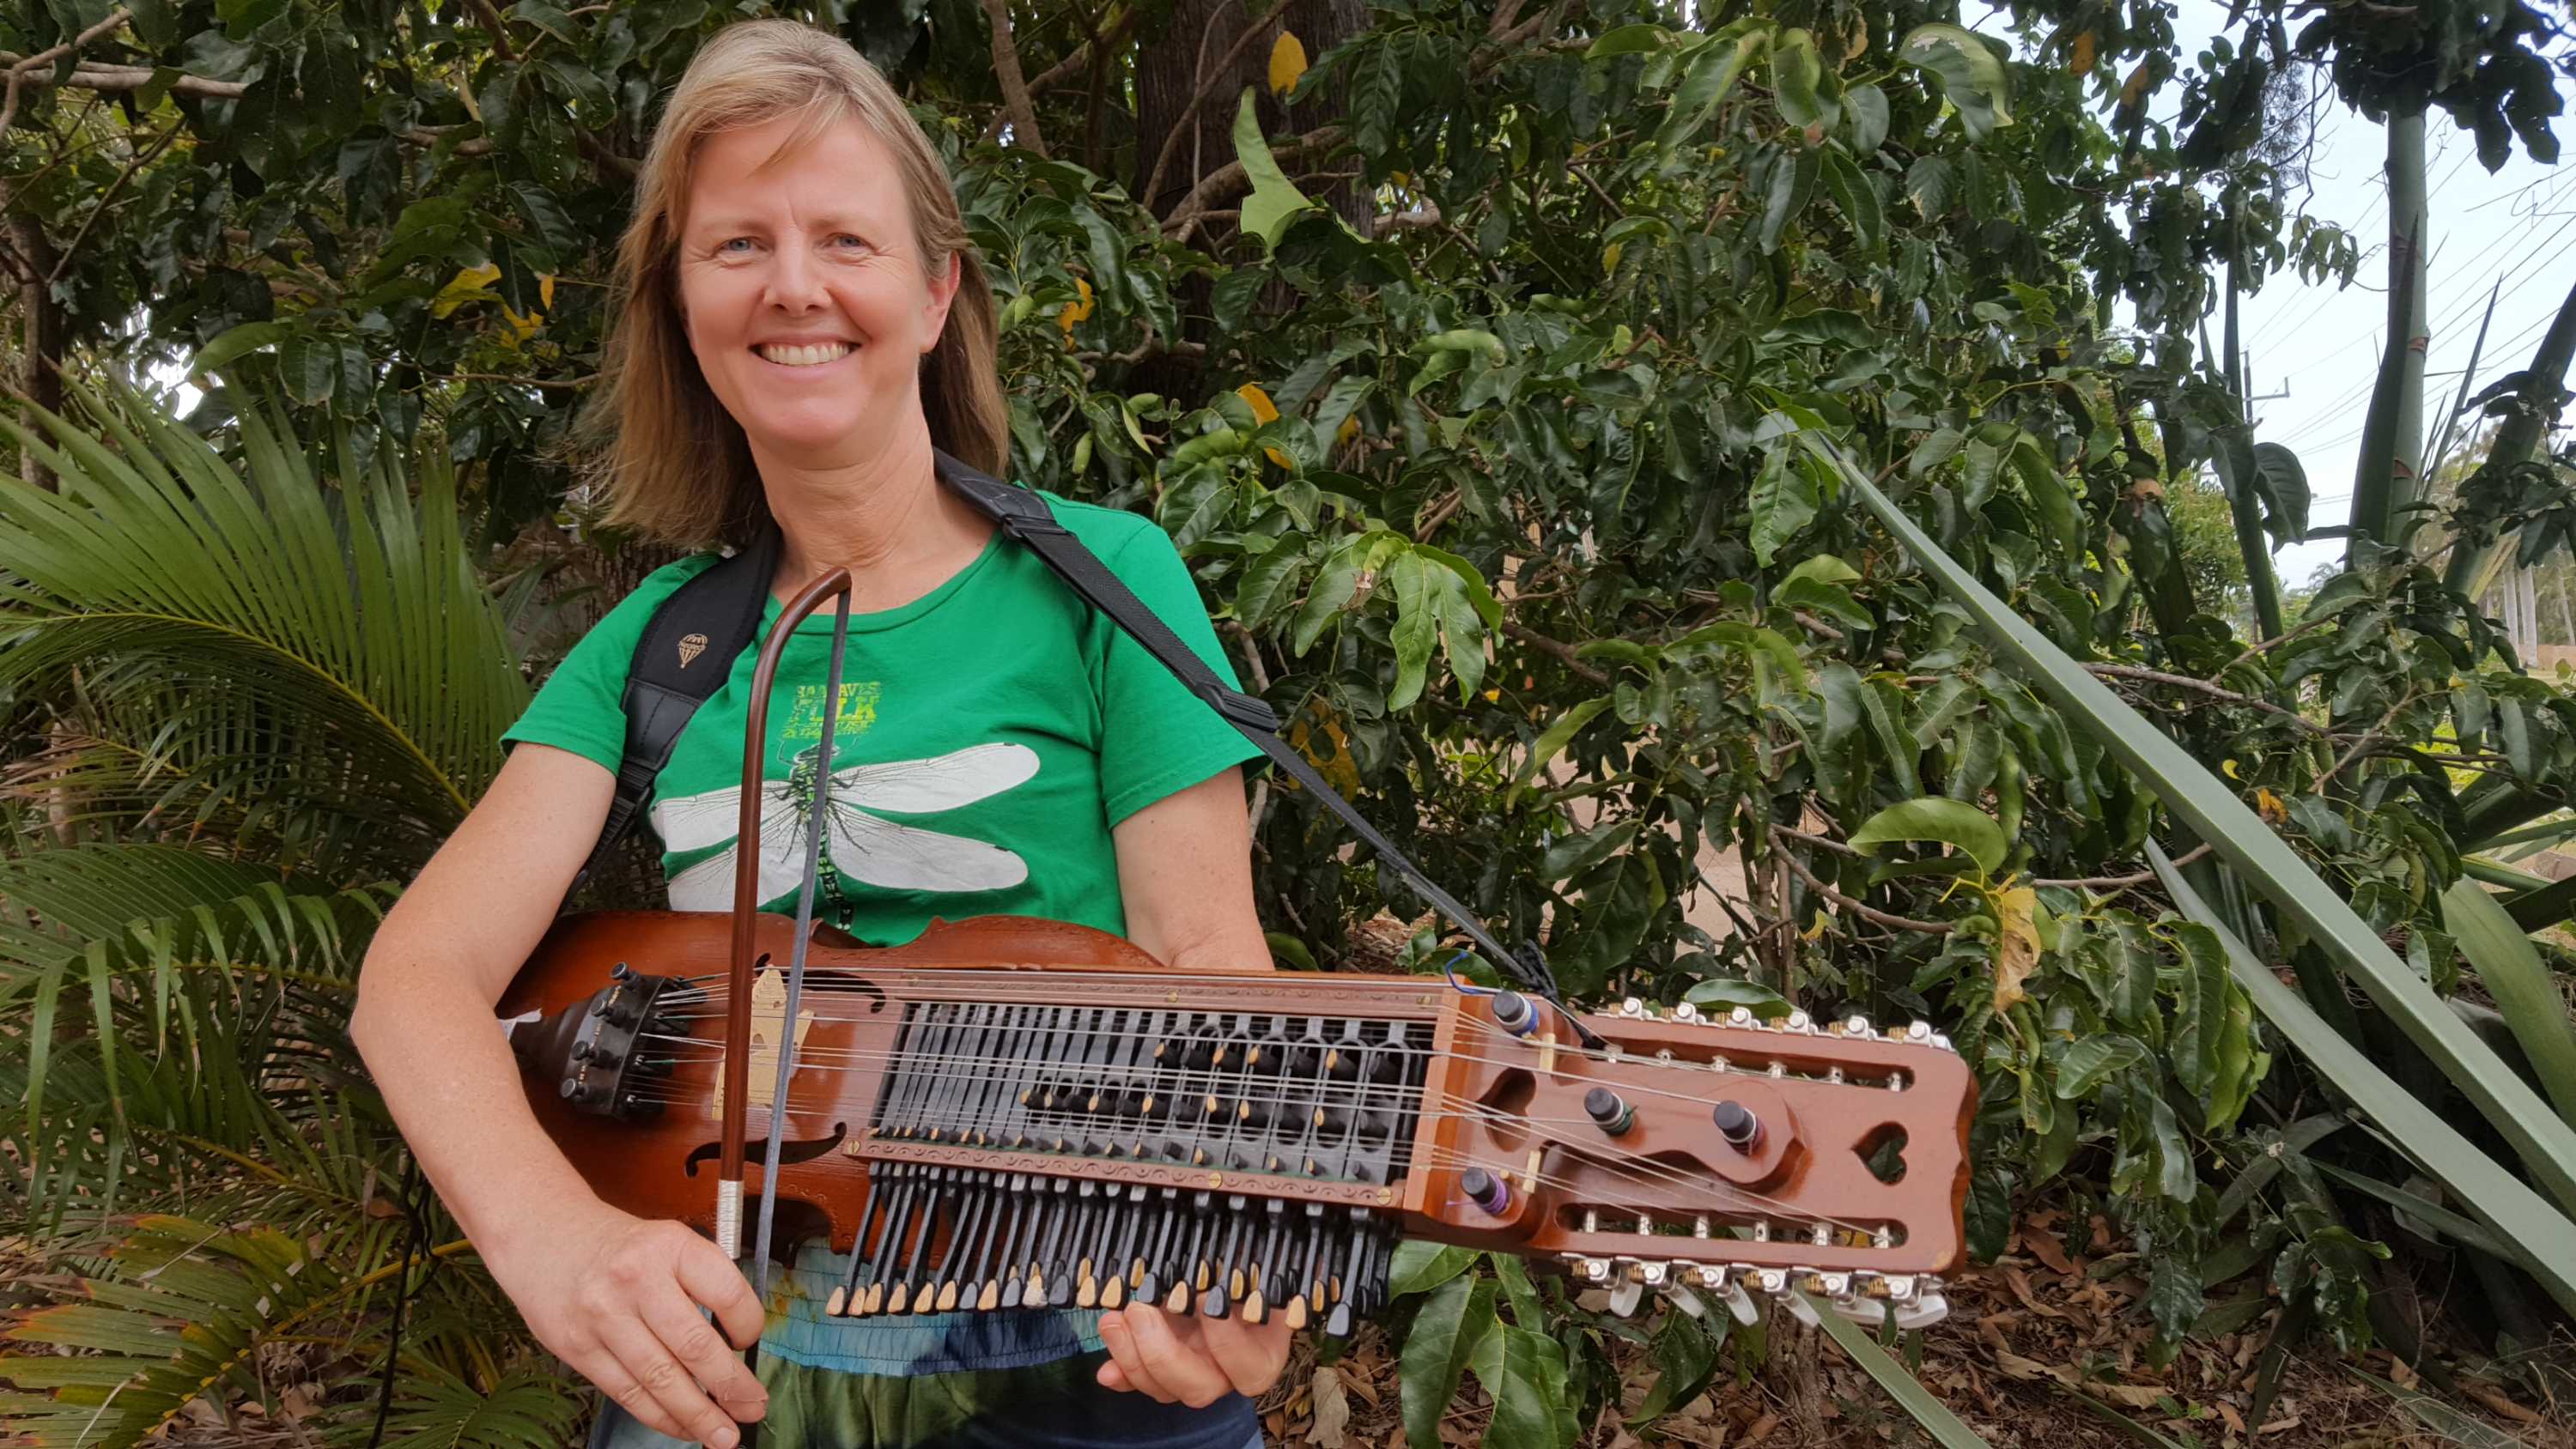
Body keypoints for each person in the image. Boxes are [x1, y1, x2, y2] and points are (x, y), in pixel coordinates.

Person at [351, 19, 1293, 1449]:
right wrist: (557, 1241)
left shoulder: (1106, 579)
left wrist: (1236, 1241)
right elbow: (416, 977)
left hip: (1082, 1323)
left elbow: (1206, 955)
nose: (794, 286)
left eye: (846, 240)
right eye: (738, 245)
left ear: (934, 292)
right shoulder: (658, 646)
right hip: (743, 1347)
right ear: (683, 303)